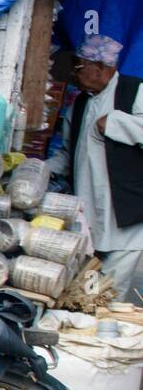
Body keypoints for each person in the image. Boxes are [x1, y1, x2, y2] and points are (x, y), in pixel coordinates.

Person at [46, 35, 143, 297]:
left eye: (79, 67)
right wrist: (39, 170)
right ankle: (88, 320)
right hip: (89, 216)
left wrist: (115, 122)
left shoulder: (135, 91)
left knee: (109, 293)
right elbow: (67, 154)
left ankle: (104, 331)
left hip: (127, 220)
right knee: (86, 289)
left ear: (101, 68)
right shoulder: (79, 104)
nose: (73, 75)